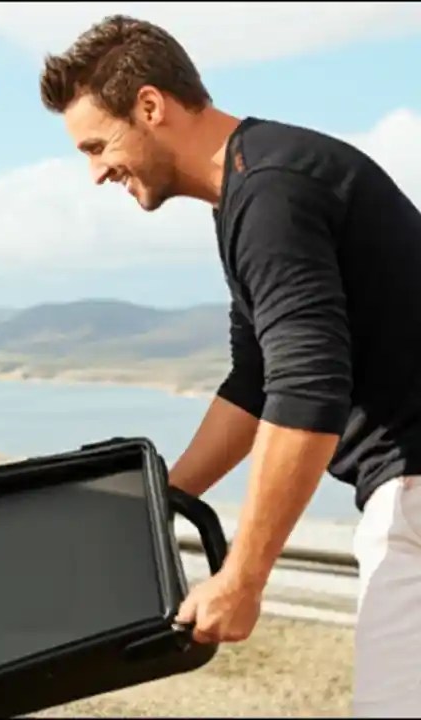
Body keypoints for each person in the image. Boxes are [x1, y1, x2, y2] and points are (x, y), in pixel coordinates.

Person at [39, 15, 421, 716]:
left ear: (150, 107)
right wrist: (167, 500)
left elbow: (308, 387)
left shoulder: (270, 192)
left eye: (97, 145)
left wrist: (244, 577)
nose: (95, 173)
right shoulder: (256, 184)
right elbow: (255, 382)